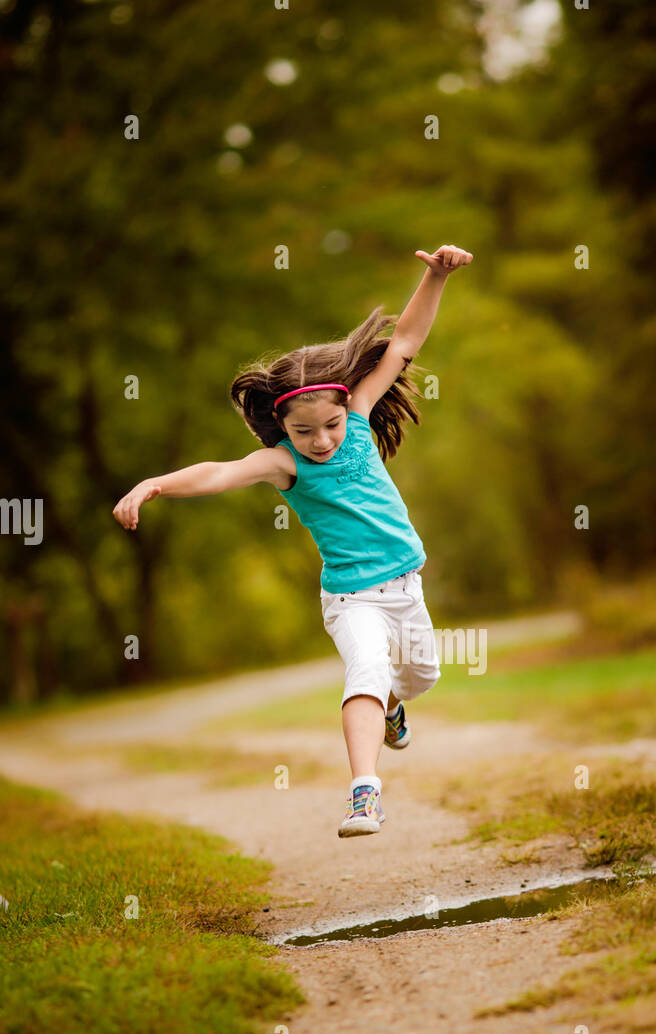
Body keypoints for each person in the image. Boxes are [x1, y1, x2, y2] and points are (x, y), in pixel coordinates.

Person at [113, 243, 473, 837]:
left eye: (329, 426)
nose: (323, 441)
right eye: (304, 432)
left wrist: (434, 276)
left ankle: (393, 707)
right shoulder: (284, 464)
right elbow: (220, 472)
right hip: (352, 598)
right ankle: (365, 794)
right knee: (365, 673)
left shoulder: (357, 412)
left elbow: (404, 343)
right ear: (281, 426)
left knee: (419, 677)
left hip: (406, 587)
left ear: (343, 409)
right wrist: (155, 484)